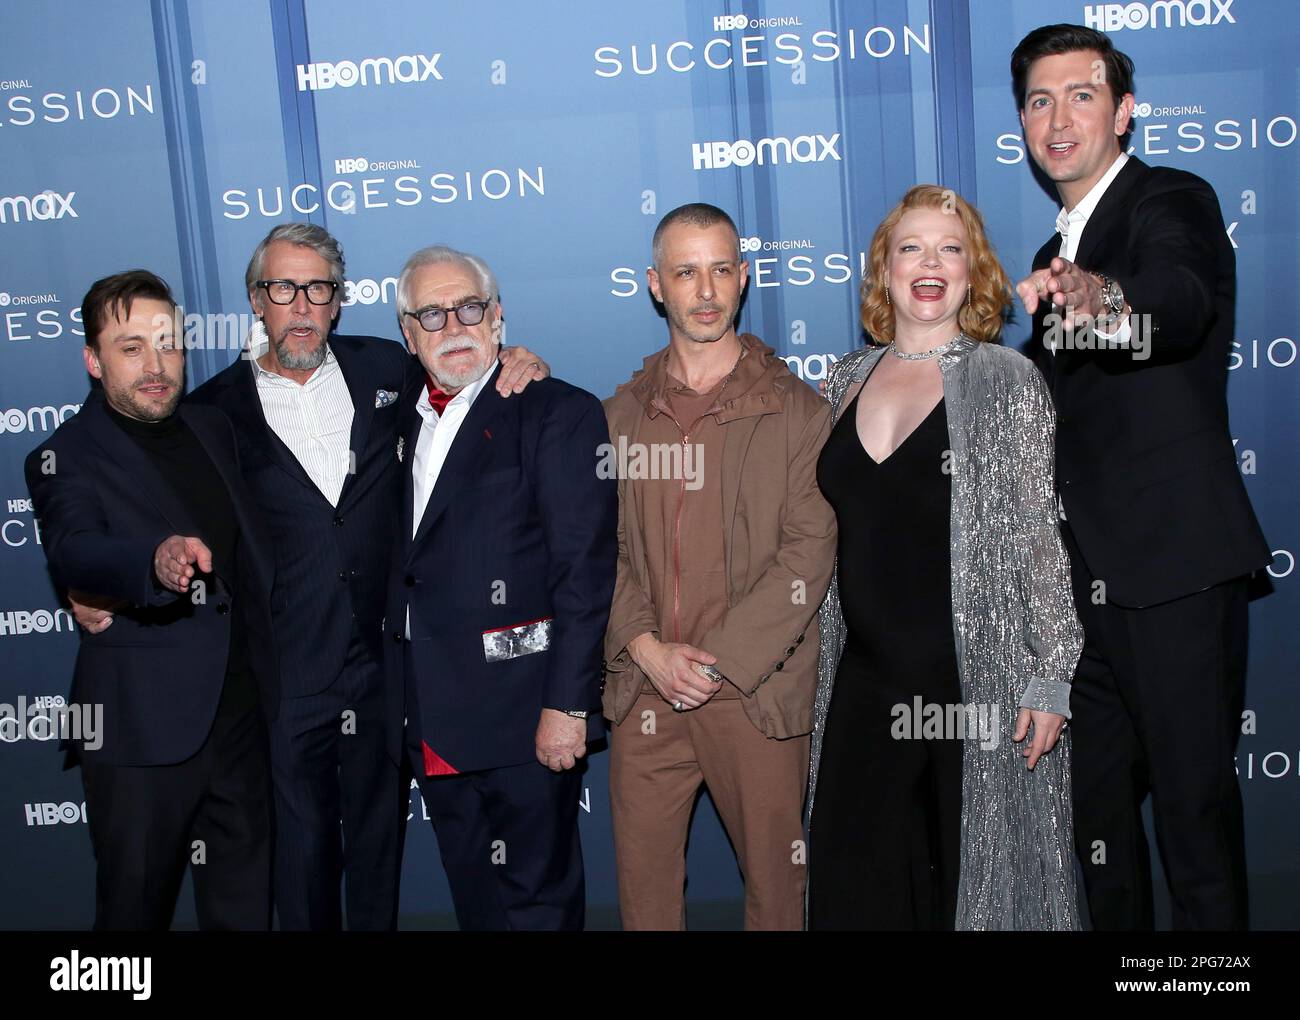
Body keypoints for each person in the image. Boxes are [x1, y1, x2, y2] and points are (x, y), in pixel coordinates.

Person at [73, 224, 550, 930]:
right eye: (282, 289)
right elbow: (136, 478)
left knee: (378, 849)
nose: (300, 305)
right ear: (256, 303)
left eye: (317, 289)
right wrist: (104, 579)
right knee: (298, 860)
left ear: (338, 300)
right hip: (284, 670)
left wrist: (519, 360)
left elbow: (463, 365)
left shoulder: (390, 366)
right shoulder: (211, 409)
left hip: (386, 665)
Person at [1011, 24, 1271, 930]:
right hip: (1082, 591)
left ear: (1123, 112)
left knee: (1195, 827)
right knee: (1102, 832)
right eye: (1040, 99)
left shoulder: (1170, 200)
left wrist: (1106, 299)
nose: (1059, 117)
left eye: (1081, 94)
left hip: (1172, 568)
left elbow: (1181, 301)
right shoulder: (1049, 261)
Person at [807, 185, 1083, 930]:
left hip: (973, 684)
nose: (930, 263)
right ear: (884, 271)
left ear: (973, 272)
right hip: (861, 681)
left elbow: (1038, 534)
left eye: (950, 249)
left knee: (971, 890)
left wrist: (1051, 673)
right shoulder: (844, 378)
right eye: (911, 248)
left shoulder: (1006, 380)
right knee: (854, 884)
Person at [603, 203, 837, 930]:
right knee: (645, 902)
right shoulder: (617, 418)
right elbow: (593, 552)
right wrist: (647, 648)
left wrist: (716, 665)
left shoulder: (801, 412)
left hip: (755, 696)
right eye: (685, 271)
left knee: (777, 895)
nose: (705, 290)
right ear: (654, 285)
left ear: (743, 277)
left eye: (720, 269)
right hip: (645, 689)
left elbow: (810, 551)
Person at [25, 270, 279, 929]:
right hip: (140, 734)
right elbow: (75, 547)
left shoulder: (212, 427)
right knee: (131, 922)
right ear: (92, 359)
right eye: (130, 346)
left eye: (166, 343)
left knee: (245, 910)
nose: (155, 363)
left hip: (241, 723)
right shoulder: (64, 456)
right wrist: (151, 561)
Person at [384, 244, 616, 930]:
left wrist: (569, 706)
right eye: (430, 313)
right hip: (431, 717)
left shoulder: (557, 413)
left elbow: (584, 572)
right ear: (407, 333)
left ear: (498, 316)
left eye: (470, 306)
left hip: (524, 715)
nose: (452, 323)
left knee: (538, 905)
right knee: (476, 905)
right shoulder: (392, 415)